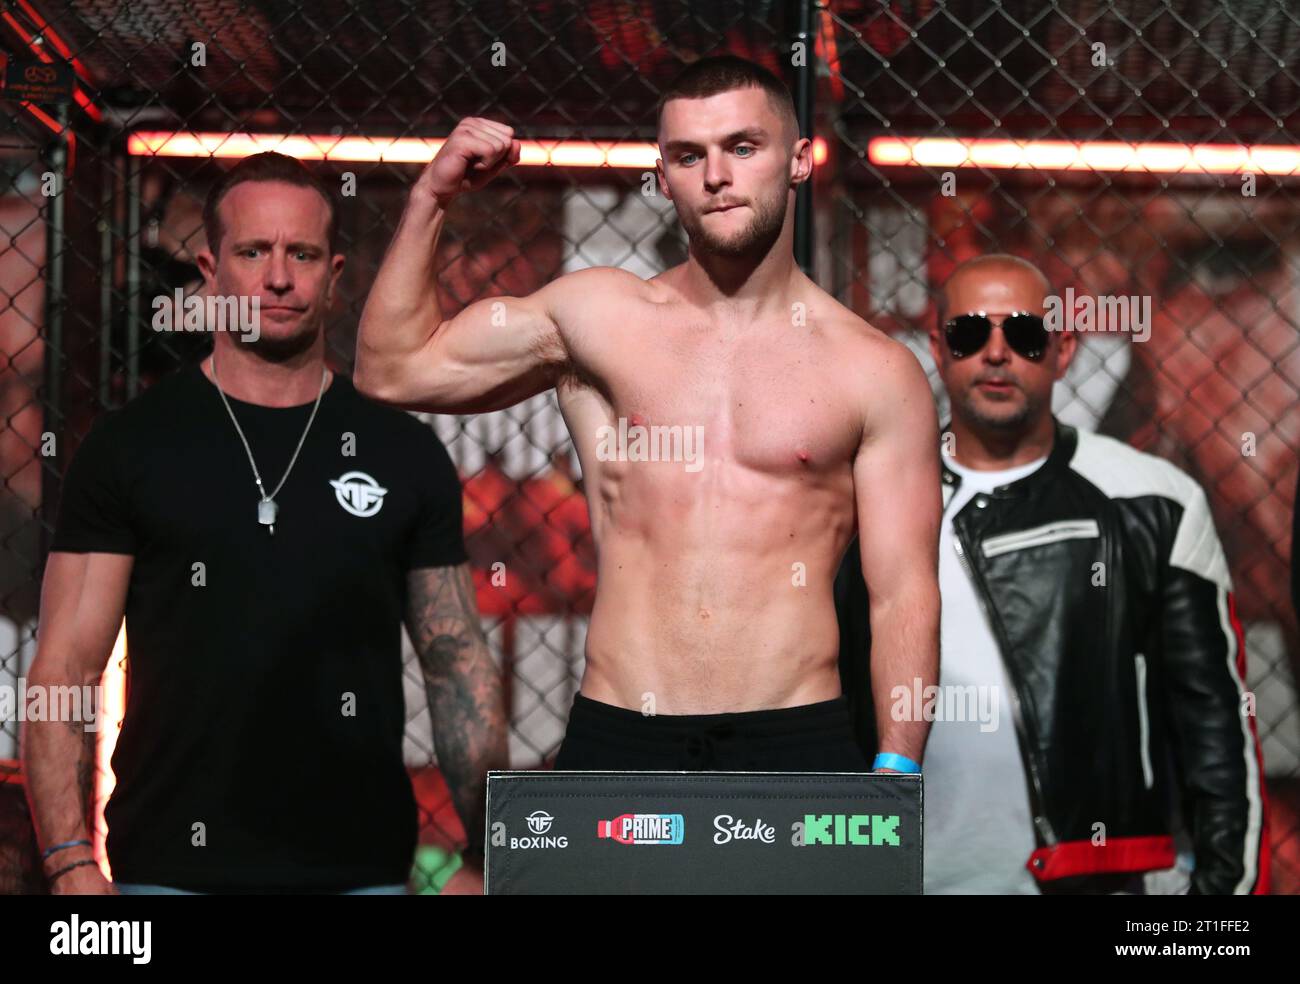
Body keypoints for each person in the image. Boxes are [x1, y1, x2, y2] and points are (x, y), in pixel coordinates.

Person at [354, 55, 941, 773]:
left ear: (797, 161)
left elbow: (903, 593)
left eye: (742, 148)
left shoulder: (874, 370)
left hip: (795, 738)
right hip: (624, 729)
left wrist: (900, 766)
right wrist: (432, 198)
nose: (716, 177)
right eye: (689, 156)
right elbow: (391, 369)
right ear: (662, 177)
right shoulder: (598, 317)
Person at [24, 152, 507, 894]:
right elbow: (64, 670)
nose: (278, 277)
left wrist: (484, 857)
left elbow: (457, 668)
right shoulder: (129, 447)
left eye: (302, 254)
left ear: (335, 275)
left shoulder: (399, 450)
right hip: (169, 872)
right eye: (253, 253)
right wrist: (66, 861)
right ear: (211, 272)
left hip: (358, 872)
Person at [836, 253, 1270, 894]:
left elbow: (1212, 726)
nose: (995, 352)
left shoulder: (1151, 500)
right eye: (968, 334)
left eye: (1025, 334)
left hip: (1090, 883)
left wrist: (1215, 916)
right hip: (901, 874)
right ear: (936, 349)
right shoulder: (863, 498)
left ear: (1063, 350)